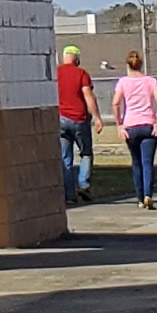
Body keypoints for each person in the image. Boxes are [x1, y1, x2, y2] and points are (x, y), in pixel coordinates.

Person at [111, 50, 157, 206]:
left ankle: (140, 198)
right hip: (149, 125)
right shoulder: (150, 81)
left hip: (131, 126)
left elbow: (115, 103)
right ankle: (148, 194)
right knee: (147, 162)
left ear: (127, 66)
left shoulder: (122, 82)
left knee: (136, 162)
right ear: (141, 64)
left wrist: (120, 124)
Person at [56, 44, 96, 202]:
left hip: (60, 119)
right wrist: (97, 117)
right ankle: (83, 184)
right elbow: (88, 95)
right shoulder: (81, 74)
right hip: (79, 118)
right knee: (86, 153)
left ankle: (69, 196)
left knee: (66, 159)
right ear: (76, 58)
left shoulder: (56, 73)